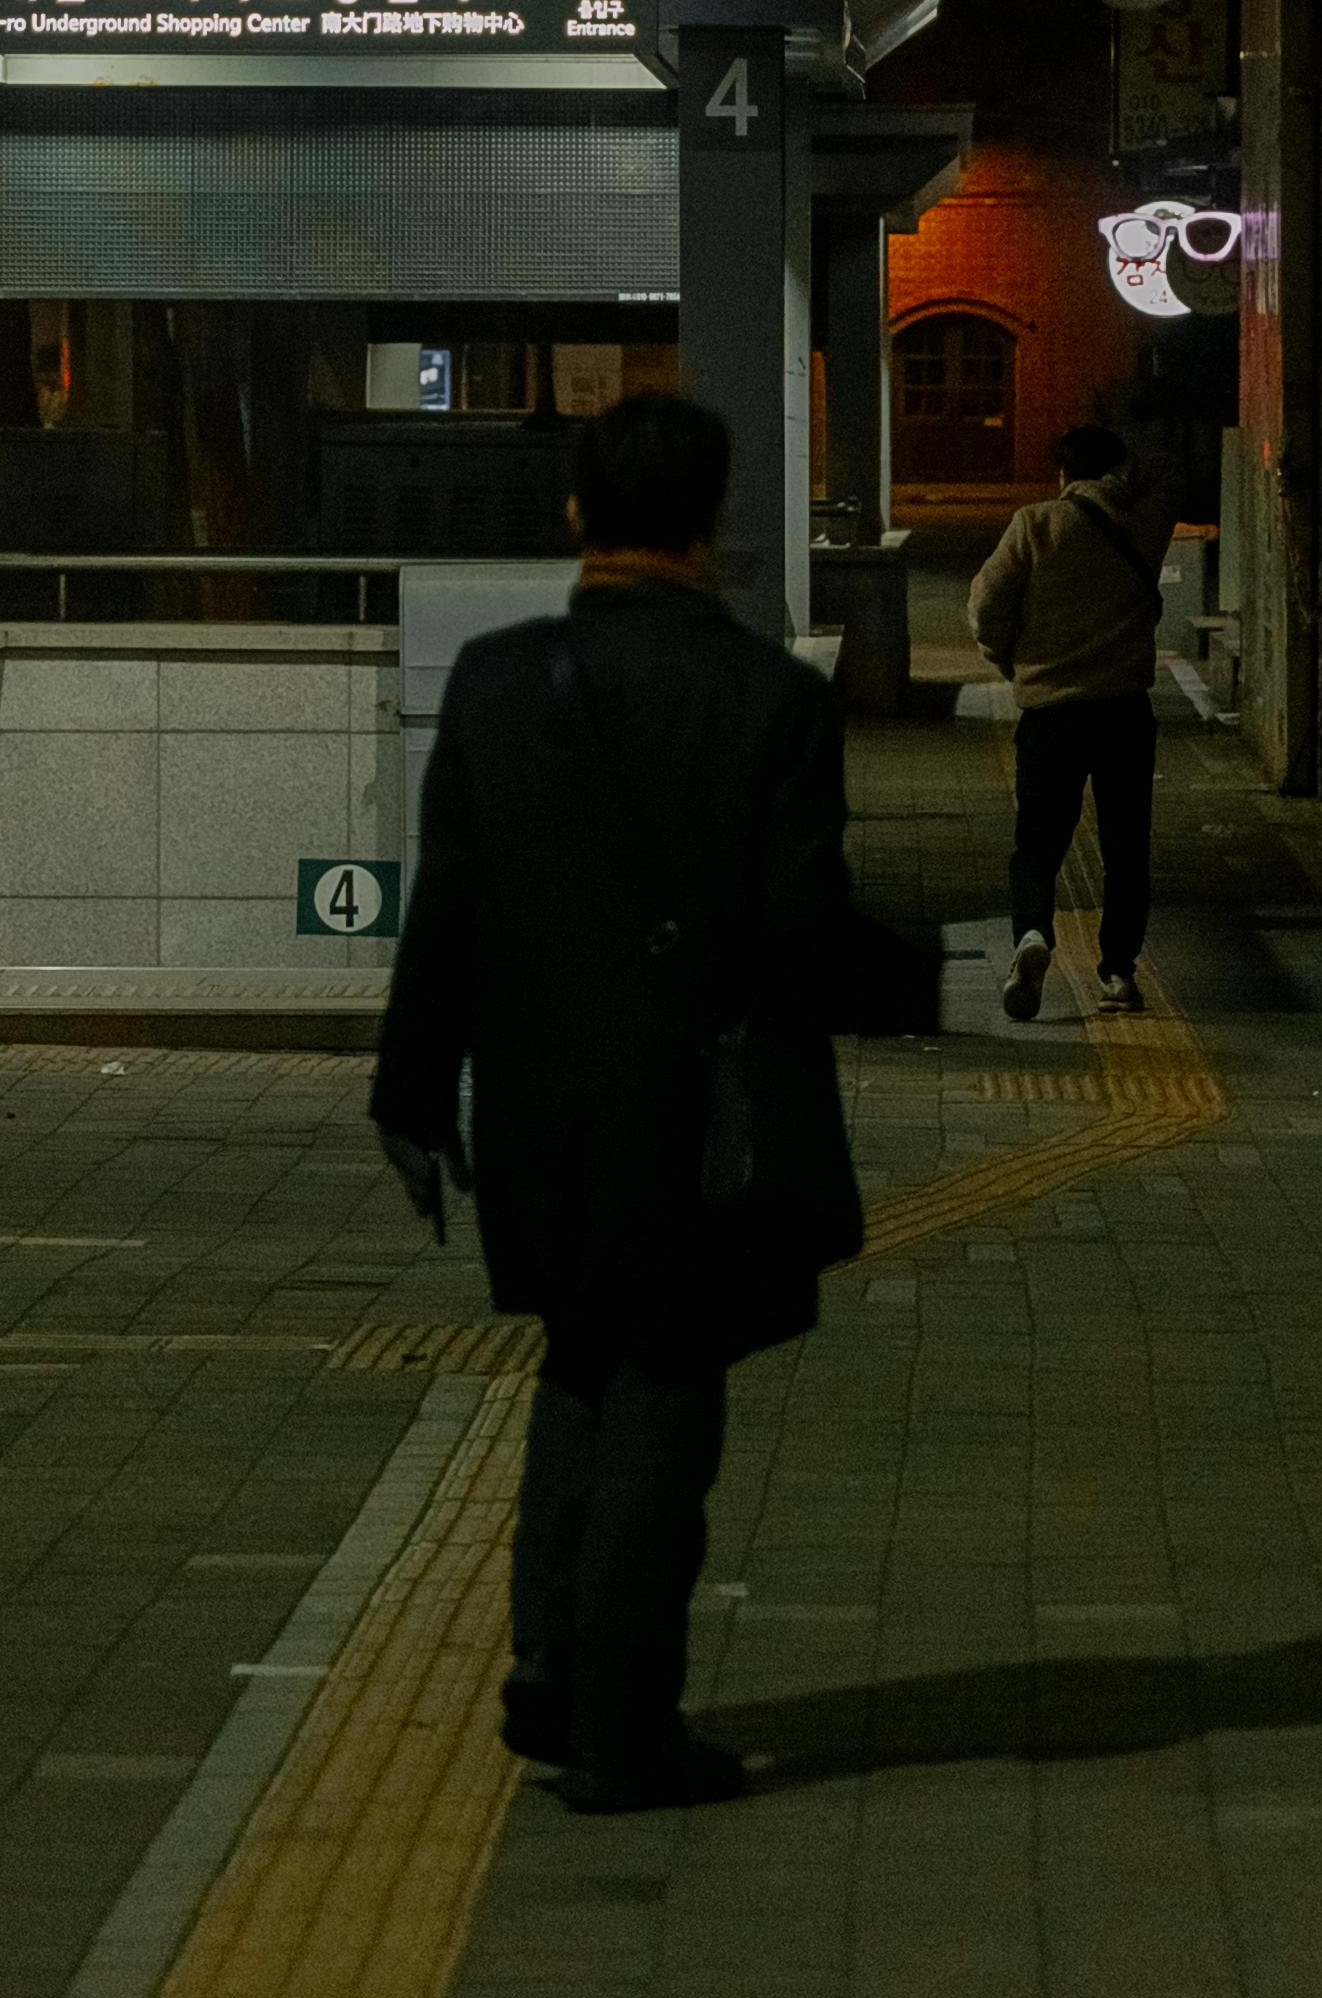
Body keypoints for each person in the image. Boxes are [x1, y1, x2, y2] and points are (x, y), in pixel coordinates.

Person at [372, 383, 941, 1814]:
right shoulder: (772, 699)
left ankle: (554, 1672)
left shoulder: (500, 682)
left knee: (580, 1365)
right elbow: (797, 928)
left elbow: (448, 904)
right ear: (712, 519)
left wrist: (411, 1089)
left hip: (540, 1111)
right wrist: (927, 985)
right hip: (699, 1116)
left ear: (577, 513)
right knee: (663, 1399)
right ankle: (623, 1732)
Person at [967, 414, 1164, 1022]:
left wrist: (1011, 661)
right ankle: (1118, 974)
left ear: (1064, 472)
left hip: (1051, 712)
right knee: (1126, 845)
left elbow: (986, 607)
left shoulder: (1035, 524)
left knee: (1038, 843)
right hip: (1125, 711)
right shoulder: (1146, 525)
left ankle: (1032, 935)